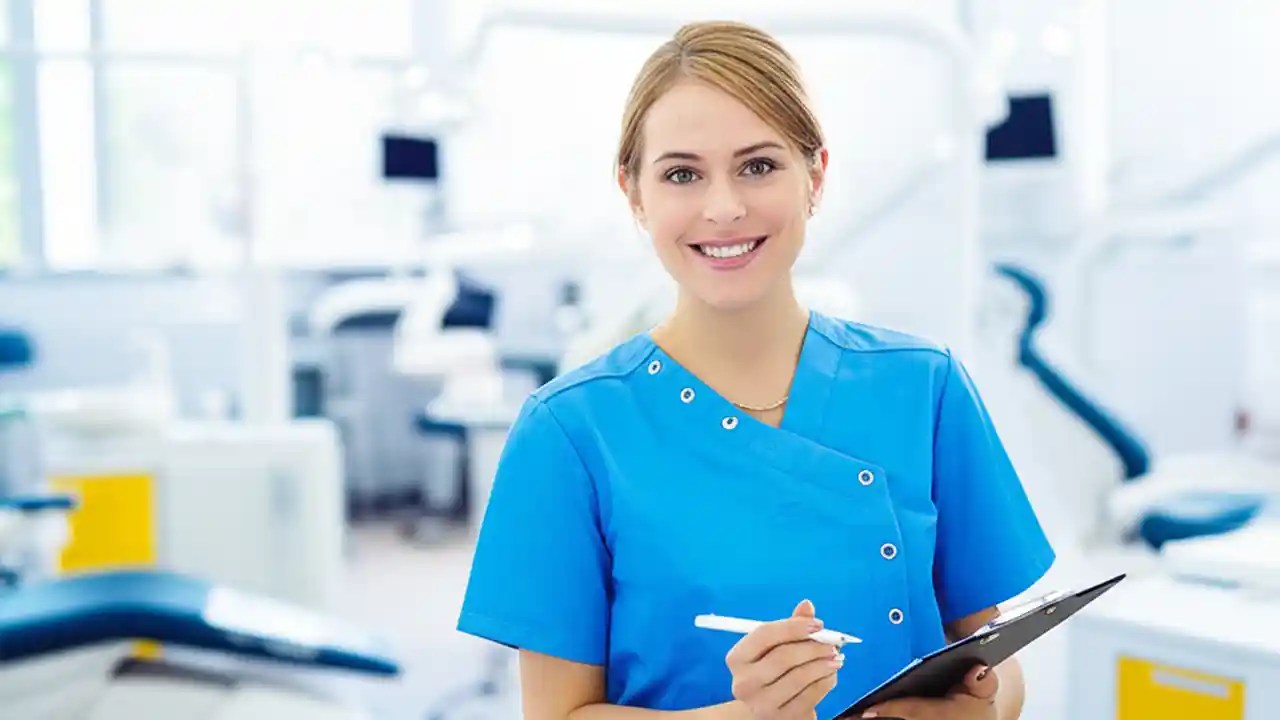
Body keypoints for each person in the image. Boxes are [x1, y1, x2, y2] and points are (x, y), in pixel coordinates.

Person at [456, 20, 1054, 720]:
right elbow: (556, 715)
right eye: (682, 174)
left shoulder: (925, 387)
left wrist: (980, 711)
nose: (724, 208)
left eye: (759, 165)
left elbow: (990, 654)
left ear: (815, 177)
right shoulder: (569, 434)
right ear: (635, 194)